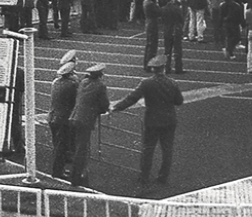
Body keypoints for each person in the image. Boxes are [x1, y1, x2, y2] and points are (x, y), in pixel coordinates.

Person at [111, 55, 184, 189]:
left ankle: (144, 176)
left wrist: (117, 107)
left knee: (148, 149)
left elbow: (132, 98)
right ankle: (163, 177)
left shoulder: (146, 83)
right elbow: (179, 101)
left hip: (152, 120)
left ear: (153, 70)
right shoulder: (172, 83)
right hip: (169, 120)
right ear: (164, 68)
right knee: (167, 150)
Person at [68, 63, 110, 188]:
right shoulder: (100, 86)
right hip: (85, 120)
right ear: (100, 75)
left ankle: (79, 173)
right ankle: (76, 177)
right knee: (82, 149)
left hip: (74, 116)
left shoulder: (83, 82)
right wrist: (102, 110)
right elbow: (104, 104)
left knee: (78, 147)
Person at [48, 62, 79, 179]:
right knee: (61, 146)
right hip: (63, 119)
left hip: (52, 117)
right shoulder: (72, 85)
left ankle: (60, 166)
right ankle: (57, 172)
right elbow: (76, 100)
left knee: (58, 144)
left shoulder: (55, 82)